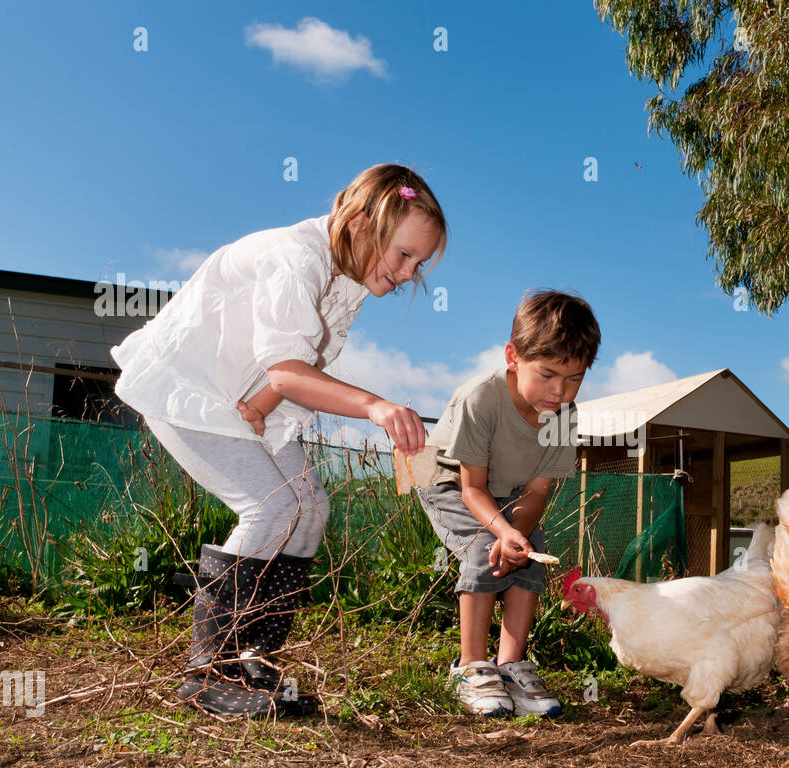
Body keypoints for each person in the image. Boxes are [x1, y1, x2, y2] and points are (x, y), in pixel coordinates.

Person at [110, 163, 446, 718]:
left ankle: (253, 662)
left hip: (240, 402)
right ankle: (208, 674)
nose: (410, 273)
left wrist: (262, 406)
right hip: (185, 387)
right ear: (360, 224)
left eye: (420, 263)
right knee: (268, 508)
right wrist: (376, 407)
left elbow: (285, 367)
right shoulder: (296, 259)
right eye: (404, 254)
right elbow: (291, 368)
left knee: (309, 507)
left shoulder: (349, 277)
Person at [417, 290, 599, 717]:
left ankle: (510, 666)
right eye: (548, 374)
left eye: (574, 379)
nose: (560, 391)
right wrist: (500, 532)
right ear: (513, 356)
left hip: (508, 493)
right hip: (445, 480)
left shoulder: (563, 416)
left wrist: (516, 533)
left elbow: (537, 491)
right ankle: (470, 668)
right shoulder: (480, 398)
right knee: (485, 548)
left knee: (530, 551)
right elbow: (470, 490)